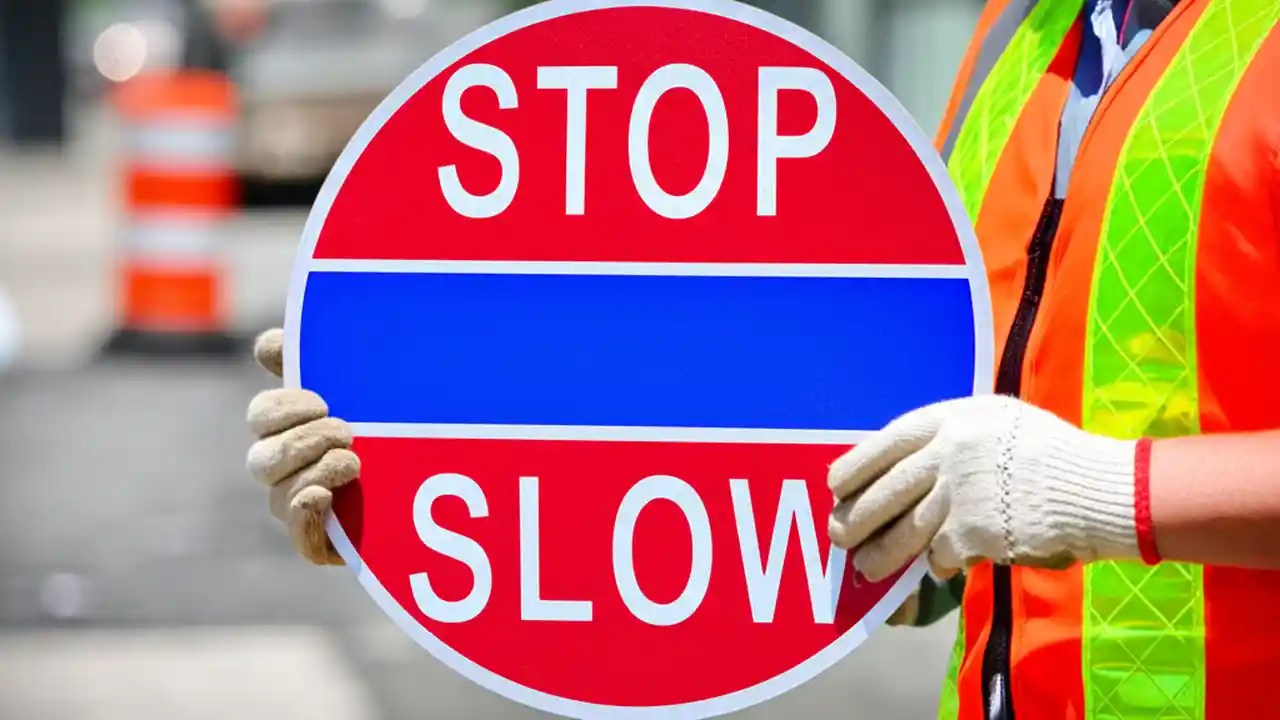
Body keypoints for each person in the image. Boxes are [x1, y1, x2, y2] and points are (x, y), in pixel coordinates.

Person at [244, 0, 1280, 717]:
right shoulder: (1030, 37)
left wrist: (1093, 491)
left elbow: (1040, 483)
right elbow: (958, 489)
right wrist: (410, 491)